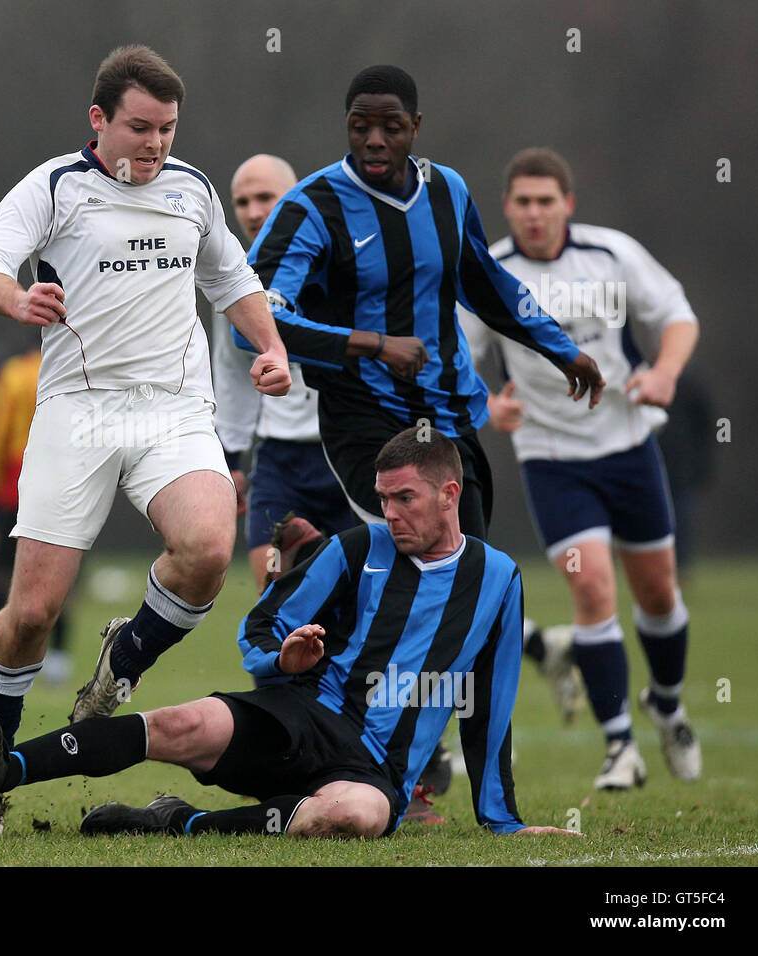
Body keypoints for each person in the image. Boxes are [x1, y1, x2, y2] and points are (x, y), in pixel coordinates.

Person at [0, 44, 291, 833]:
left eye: (168, 130)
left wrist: (270, 349)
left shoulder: (193, 190)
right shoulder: (56, 187)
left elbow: (233, 280)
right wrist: (17, 299)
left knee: (209, 548)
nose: (155, 145)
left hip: (173, 410)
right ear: (99, 119)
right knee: (32, 613)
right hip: (79, 410)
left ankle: (123, 660)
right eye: (140, 128)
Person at [0, 428, 579, 840]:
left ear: (450, 494)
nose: (390, 512)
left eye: (405, 498)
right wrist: (285, 655)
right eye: (383, 498)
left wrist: (503, 821)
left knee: (351, 817)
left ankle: (178, 822)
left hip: (376, 766)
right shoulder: (355, 549)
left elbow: (491, 703)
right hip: (302, 713)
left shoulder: (498, 579)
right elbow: (259, 627)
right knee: (178, 726)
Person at [240, 64, 604, 734]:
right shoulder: (314, 206)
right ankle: (366, 736)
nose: (374, 139)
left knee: (469, 584)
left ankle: (446, 753)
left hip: (453, 421)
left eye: (390, 126)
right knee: (414, 568)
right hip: (363, 419)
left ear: (416, 128)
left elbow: (485, 281)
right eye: (360, 125)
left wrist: (560, 347)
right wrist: (370, 344)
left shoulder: (448, 191)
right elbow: (257, 313)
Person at [460, 147, 701, 789]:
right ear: (506, 208)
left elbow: (677, 315)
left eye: (547, 201)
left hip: (628, 448)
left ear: (568, 203)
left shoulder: (611, 255)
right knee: (592, 586)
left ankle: (667, 703)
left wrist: (665, 372)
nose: (535, 214)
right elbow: (455, 360)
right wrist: (488, 404)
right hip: (552, 460)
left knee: (658, 592)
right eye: (523, 202)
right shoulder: (489, 274)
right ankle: (619, 744)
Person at [212, 154, 355, 600]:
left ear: (295, 198)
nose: (254, 212)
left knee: (357, 606)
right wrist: (230, 460)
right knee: (274, 601)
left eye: (265, 198)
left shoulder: (344, 261)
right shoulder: (234, 279)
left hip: (350, 454)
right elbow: (232, 375)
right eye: (242, 201)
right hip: (280, 465)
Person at [0, 343, 75, 684]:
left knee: (2, 570)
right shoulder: (76, 368)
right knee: (61, 564)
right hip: (63, 477)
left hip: (14, 481)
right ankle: (59, 657)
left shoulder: (14, 373)